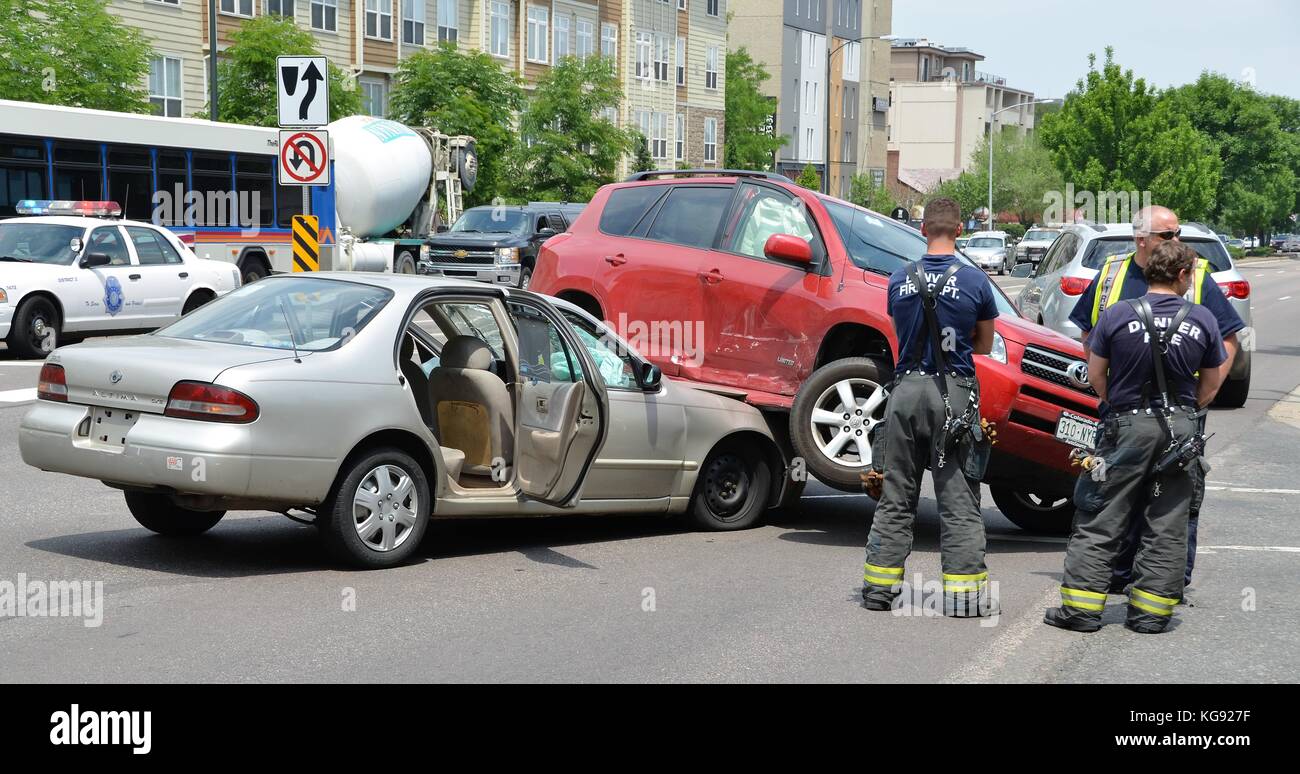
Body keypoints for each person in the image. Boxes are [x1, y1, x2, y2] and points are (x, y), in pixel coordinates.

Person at [1046, 241, 1226, 634]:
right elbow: (1212, 384)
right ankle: (1150, 615)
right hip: (1179, 431)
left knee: (1102, 515)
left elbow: (1095, 375)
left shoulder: (1115, 316)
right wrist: (1181, 412)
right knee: (1168, 521)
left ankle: (1080, 611)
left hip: (1126, 426)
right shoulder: (1202, 320)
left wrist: (1120, 404)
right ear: (1181, 275)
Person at [1068, 205, 1243, 593]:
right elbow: (1087, 334)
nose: (1177, 241)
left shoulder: (1195, 276)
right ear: (1141, 239)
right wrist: (1110, 394)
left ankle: (1167, 585)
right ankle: (1123, 579)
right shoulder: (1112, 274)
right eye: (1169, 235)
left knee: (1174, 507)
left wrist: (1201, 400)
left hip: (1177, 411)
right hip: (1126, 411)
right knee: (1115, 499)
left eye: (1178, 233)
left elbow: (1228, 338)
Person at [861, 197, 999, 617]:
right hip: (952, 394)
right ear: (960, 231)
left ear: (922, 230)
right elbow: (985, 344)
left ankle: (878, 591)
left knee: (896, 495)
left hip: (904, 392)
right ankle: (962, 597)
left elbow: (902, 335)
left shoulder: (898, 280)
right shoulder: (976, 282)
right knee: (958, 498)